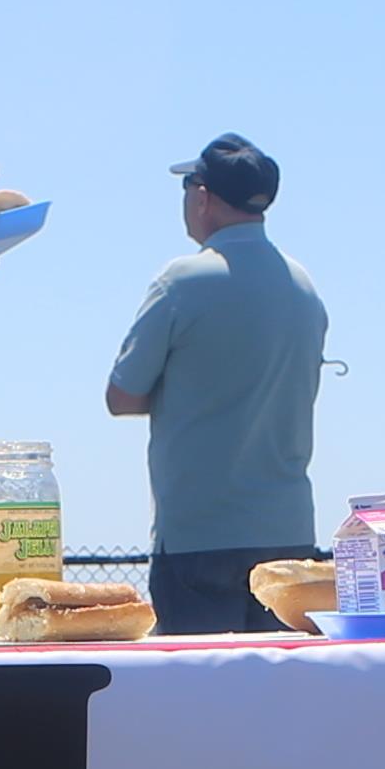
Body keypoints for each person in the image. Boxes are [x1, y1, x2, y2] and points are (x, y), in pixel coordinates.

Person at [104, 133, 328, 631]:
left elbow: (121, 395)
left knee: (199, 702)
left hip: (197, 534)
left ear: (202, 196)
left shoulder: (181, 281)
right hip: (288, 533)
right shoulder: (304, 287)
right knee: (284, 699)